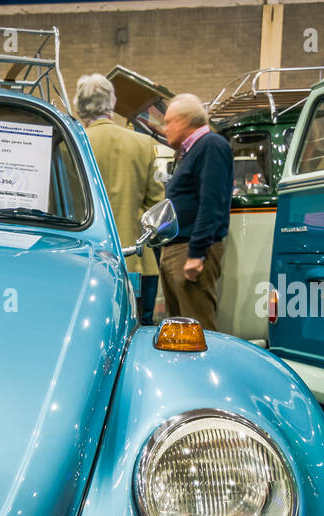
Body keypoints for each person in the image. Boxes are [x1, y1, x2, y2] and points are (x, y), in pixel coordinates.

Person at [74, 73, 164, 323]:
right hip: (136, 262)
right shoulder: (143, 143)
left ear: (80, 107)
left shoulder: (73, 144)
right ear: (112, 104)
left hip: (86, 262)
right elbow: (156, 204)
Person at [160, 93, 233, 331]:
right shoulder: (193, 151)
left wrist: (196, 253)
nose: (164, 129)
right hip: (179, 248)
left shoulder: (211, 145)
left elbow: (211, 202)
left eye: (168, 122)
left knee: (197, 329)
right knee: (180, 330)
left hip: (189, 250)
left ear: (184, 120)